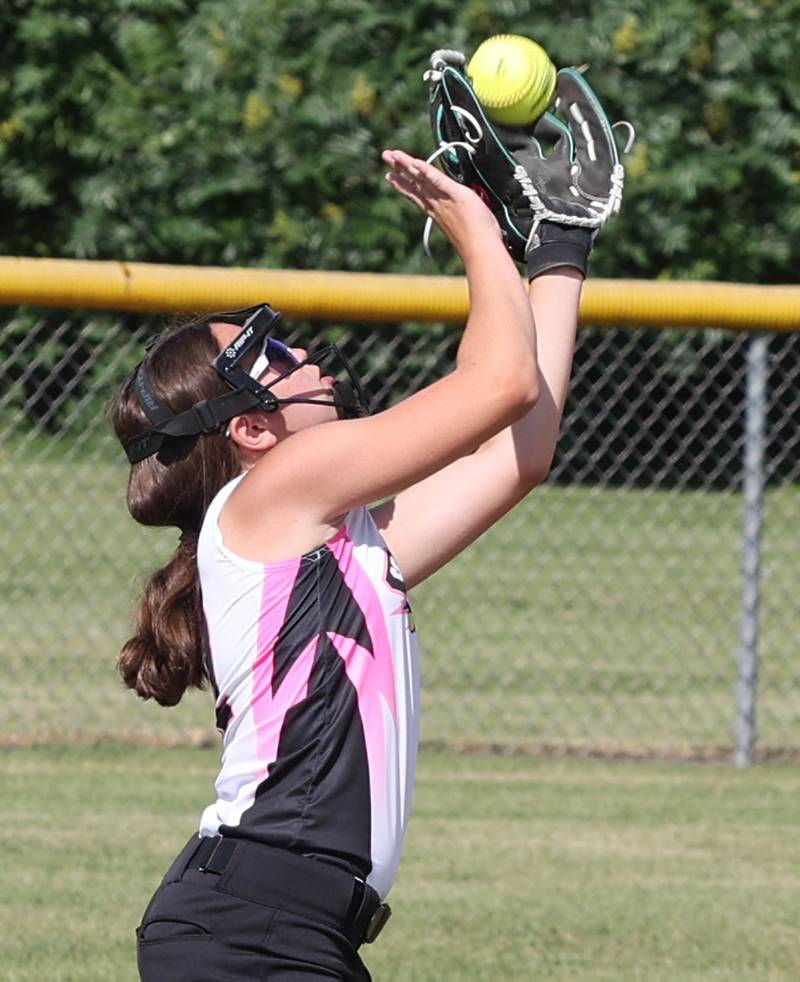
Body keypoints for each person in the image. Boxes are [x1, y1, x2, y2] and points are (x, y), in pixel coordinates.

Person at [111, 146, 583, 981]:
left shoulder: (325, 540)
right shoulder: (276, 490)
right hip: (248, 931)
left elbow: (522, 452)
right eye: (274, 357)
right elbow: (501, 382)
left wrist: (557, 248)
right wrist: (475, 223)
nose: (305, 356)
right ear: (251, 431)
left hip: (274, 931)